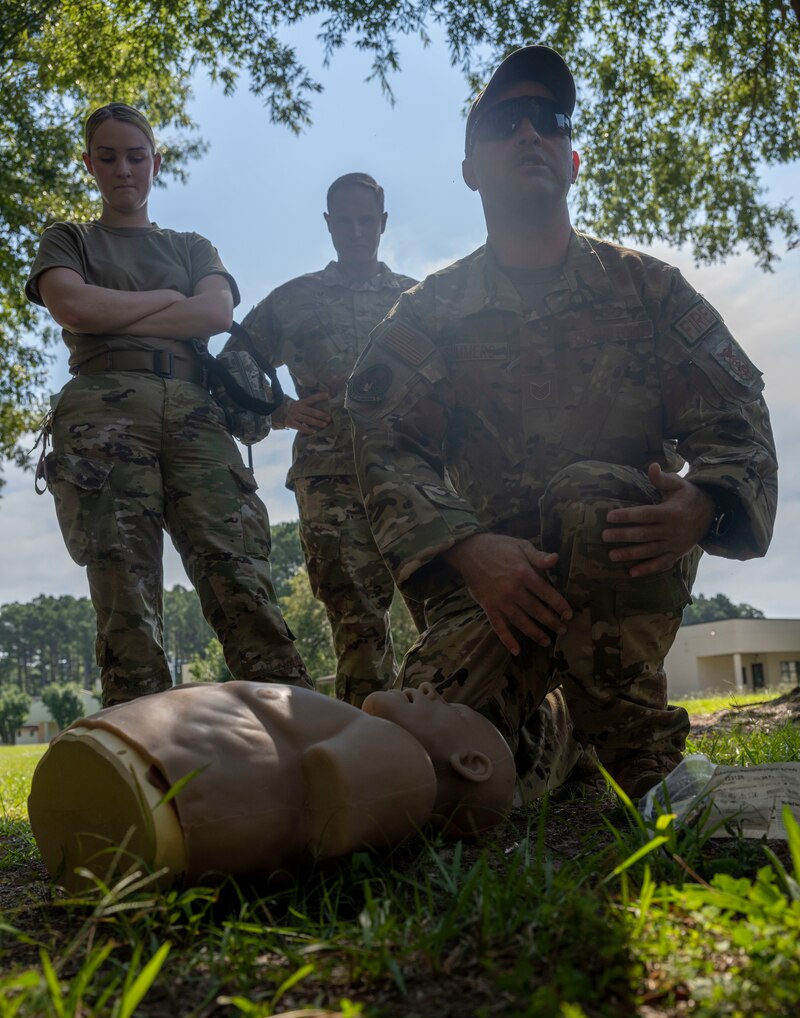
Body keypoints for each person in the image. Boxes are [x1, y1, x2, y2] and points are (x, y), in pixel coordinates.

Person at [346, 46, 778, 799]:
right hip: (492, 588)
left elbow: (737, 414)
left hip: (625, 559)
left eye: (548, 120)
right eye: (505, 121)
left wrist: (704, 504)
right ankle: (554, 730)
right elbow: (383, 442)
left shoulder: (649, 292)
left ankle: (638, 752)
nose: (529, 134)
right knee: (417, 765)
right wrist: (471, 550)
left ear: (573, 159)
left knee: (595, 495)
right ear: (470, 168)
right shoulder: (430, 314)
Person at [26, 103, 312, 706]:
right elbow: (74, 308)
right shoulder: (69, 239)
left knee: (239, 573)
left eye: (135, 156)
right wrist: (165, 301)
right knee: (125, 594)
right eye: (107, 157)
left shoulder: (190, 245)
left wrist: (119, 307)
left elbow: (214, 312)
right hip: (100, 413)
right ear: (89, 164)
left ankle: (299, 737)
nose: (123, 169)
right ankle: (140, 761)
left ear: (156, 162)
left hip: (192, 410)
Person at [224, 174, 420, 708]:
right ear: (329, 225)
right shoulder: (294, 301)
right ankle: (368, 757)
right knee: (358, 624)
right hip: (331, 484)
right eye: (346, 221)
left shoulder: (418, 299)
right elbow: (232, 365)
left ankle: (445, 746)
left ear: (382, 224)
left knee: (444, 611)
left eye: (367, 221)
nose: (357, 232)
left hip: (416, 476)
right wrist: (281, 410)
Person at [27, 680, 518, 892]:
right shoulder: (381, 744)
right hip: (146, 774)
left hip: (161, 785)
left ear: (470, 764)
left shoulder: (408, 765)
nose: (431, 691)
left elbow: (334, 795)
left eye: (451, 709)